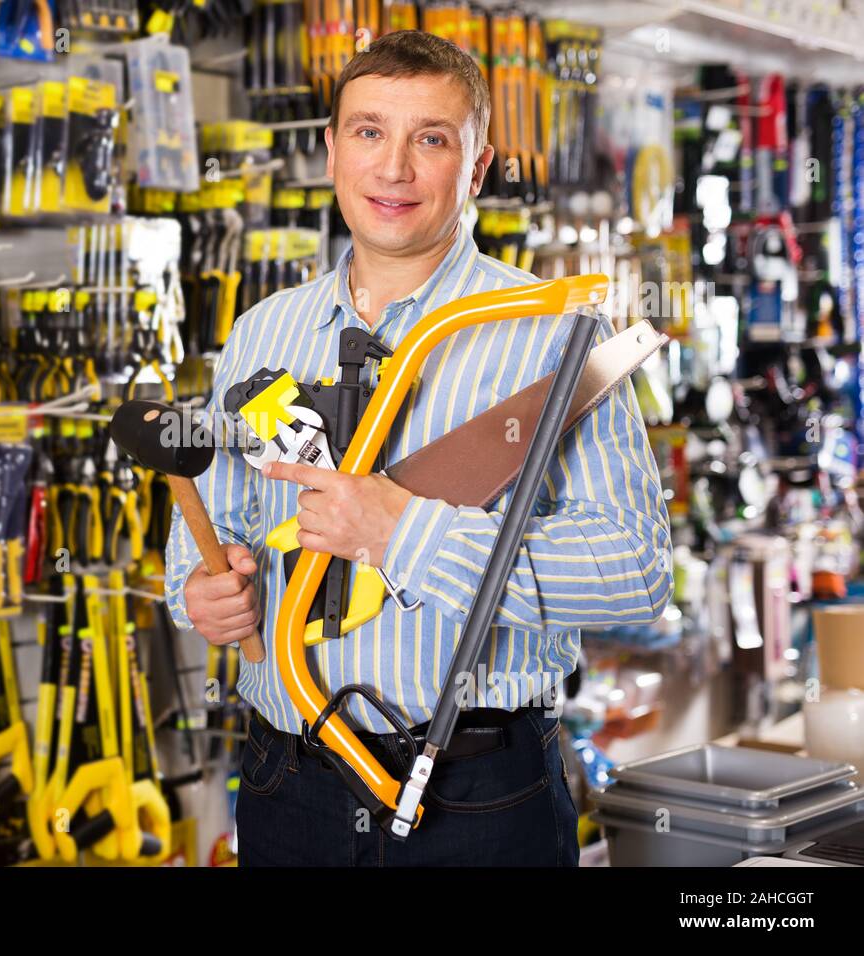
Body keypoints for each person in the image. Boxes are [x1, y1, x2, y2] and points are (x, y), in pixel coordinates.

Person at [164, 30, 671, 866]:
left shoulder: (557, 333)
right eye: (368, 132)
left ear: (475, 169)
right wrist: (200, 593)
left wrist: (405, 535)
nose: (393, 168)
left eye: (429, 139)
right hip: (284, 782)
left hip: (477, 792)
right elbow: (207, 527)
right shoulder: (263, 332)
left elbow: (636, 573)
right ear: (331, 150)